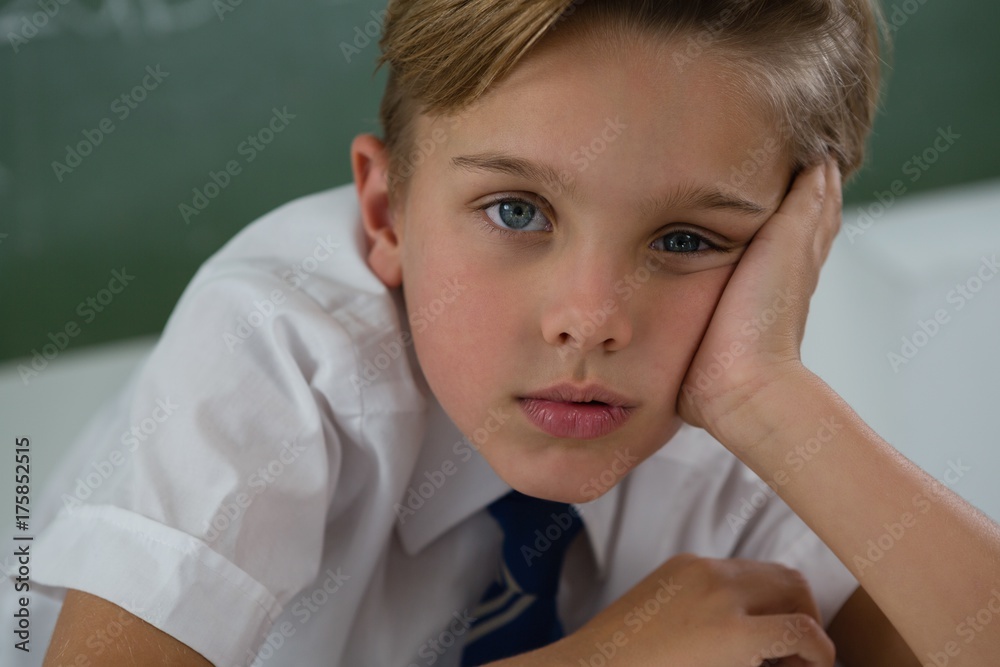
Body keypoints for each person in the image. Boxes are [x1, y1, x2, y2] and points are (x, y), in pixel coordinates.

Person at [9, 0, 998, 665]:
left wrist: (764, 397)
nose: (592, 317)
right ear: (386, 213)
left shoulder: (728, 400)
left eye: (688, 238)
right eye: (517, 211)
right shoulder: (278, 346)